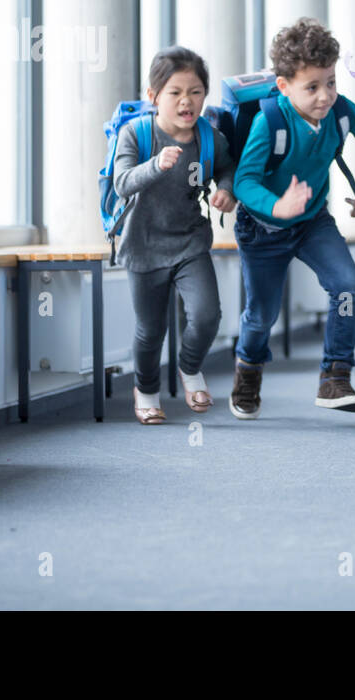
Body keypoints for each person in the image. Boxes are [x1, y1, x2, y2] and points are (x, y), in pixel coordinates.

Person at [230, 18, 355, 420]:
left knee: (347, 287)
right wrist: (276, 206)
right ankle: (248, 369)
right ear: (284, 86)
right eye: (312, 87)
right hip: (262, 229)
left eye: (330, 82)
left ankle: (335, 376)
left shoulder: (343, 113)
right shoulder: (271, 122)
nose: (325, 95)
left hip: (312, 222)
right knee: (262, 316)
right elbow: (244, 180)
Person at [112, 46, 236, 424]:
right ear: (153, 96)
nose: (187, 101)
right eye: (175, 92)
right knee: (151, 331)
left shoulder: (208, 138)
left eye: (196, 92)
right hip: (143, 245)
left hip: (189, 242)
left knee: (206, 315)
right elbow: (122, 183)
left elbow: (228, 167)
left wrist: (226, 191)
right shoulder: (137, 133)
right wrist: (155, 165)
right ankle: (146, 390)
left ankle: (190, 368)